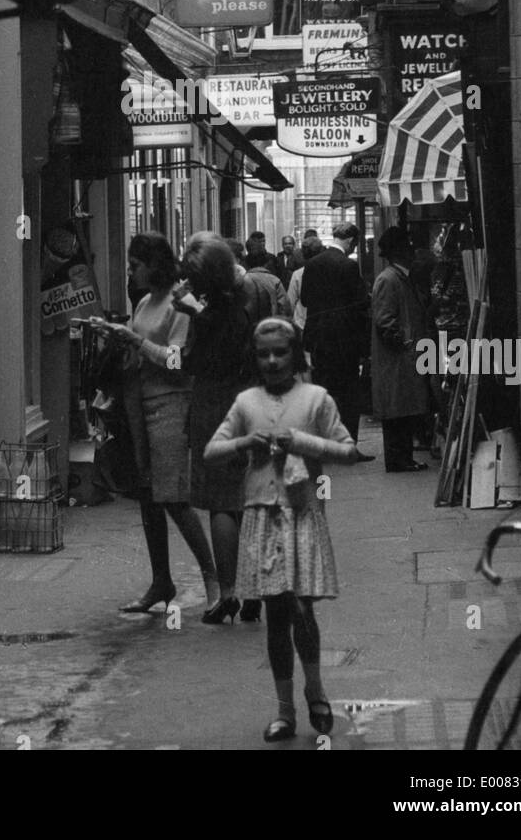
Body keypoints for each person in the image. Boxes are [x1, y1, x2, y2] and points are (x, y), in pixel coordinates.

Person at [205, 317, 356, 742]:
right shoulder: (246, 402)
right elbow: (211, 451)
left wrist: (303, 443)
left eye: (281, 351)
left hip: (303, 514)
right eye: (263, 353)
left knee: (304, 610)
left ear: (297, 353)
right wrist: (243, 443)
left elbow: (349, 450)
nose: (272, 360)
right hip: (262, 516)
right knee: (276, 616)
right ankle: (285, 710)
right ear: (254, 358)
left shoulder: (316, 399)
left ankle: (317, 690)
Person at [93, 232, 220, 614]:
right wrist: (117, 339)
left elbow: (179, 362)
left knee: (174, 497)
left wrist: (134, 340)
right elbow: (140, 353)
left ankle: (212, 577)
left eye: (135, 266)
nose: (131, 273)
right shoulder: (146, 301)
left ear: (154, 265)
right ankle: (161, 581)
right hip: (136, 405)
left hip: (169, 405)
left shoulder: (180, 305)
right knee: (148, 497)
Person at [178, 232, 256, 623]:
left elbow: (191, 362)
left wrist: (190, 313)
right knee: (245, 497)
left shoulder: (206, 316)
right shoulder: (243, 301)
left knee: (221, 503)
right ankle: (254, 586)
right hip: (245, 401)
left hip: (213, 406)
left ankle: (229, 592)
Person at [301, 222, 373, 462]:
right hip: (345, 340)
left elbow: (305, 299)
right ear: (352, 241)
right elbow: (360, 304)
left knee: (324, 393)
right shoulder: (349, 266)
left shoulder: (312, 264)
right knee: (350, 396)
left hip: (320, 339)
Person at [370, 227, 431, 472]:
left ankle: (403, 458)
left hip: (403, 356)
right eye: (408, 246)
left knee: (403, 410)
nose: (413, 250)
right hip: (397, 359)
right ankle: (398, 460)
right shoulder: (388, 279)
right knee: (398, 410)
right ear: (399, 251)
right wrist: (403, 344)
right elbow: (385, 320)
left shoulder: (399, 277)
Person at [286, 235, 326, 337]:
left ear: (303, 254)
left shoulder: (298, 274)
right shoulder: (327, 272)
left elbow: (290, 301)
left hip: (301, 323)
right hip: (323, 322)